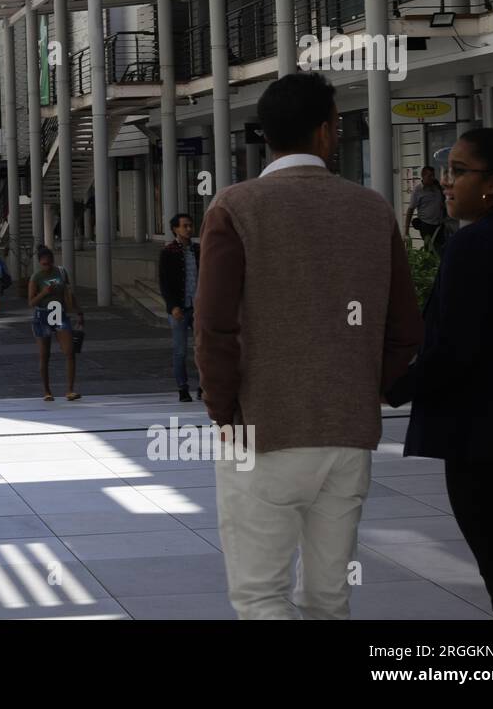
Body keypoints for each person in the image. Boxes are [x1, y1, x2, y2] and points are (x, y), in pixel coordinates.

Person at [195, 72, 422, 620]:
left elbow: (214, 326)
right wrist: (369, 388)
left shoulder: (236, 207)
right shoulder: (372, 209)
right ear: (328, 131)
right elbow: (405, 327)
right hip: (346, 432)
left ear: (265, 134)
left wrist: (225, 411)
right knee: (328, 596)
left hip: (263, 429)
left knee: (260, 596)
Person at [386, 128, 493, 620]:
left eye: (459, 171)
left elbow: (453, 350)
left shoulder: (475, 245)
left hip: (489, 449)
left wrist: (390, 387)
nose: (445, 183)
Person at [28, 245, 82, 402]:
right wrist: (44, 293)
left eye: (50, 263)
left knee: (69, 351)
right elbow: (31, 302)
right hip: (42, 314)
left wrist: (78, 311)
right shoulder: (36, 277)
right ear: (39, 263)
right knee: (45, 355)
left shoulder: (60, 272)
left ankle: (70, 390)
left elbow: (68, 293)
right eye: (44, 264)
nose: (47, 266)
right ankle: (47, 391)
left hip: (58, 312)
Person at [159, 213, 202, 403]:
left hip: (199, 307)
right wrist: (172, 305)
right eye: (184, 226)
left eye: (190, 225)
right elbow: (164, 282)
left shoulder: (199, 250)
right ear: (175, 229)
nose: (188, 229)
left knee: (203, 349)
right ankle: (182, 387)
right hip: (180, 308)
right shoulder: (169, 252)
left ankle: (204, 387)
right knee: (180, 350)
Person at [405, 165, 448, 256]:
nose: (432, 178)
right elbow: (410, 209)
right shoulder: (418, 190)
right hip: (426, 225)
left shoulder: (437, 187)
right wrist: (406, 231)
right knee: (432, 251)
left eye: (433, 175)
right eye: (430, 176)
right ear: (423, 176)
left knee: (443, 249)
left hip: (439, 225)